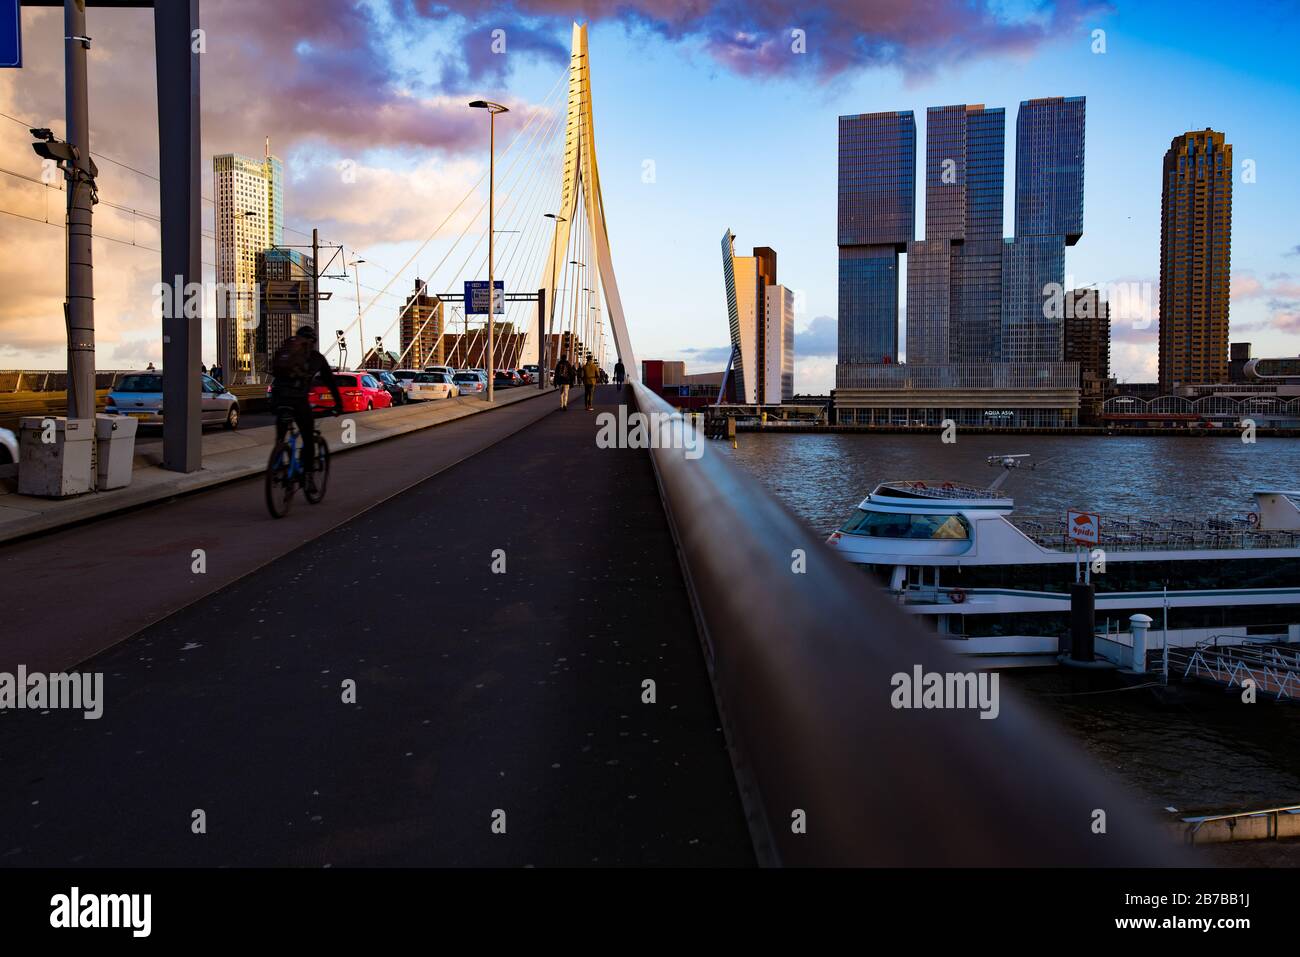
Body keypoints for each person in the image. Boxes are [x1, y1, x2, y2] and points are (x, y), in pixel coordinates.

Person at [270, 325, 342, 491]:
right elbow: (330, 382)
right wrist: (338, 405)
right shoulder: (316, 357)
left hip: (278, 398)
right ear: (313, 342)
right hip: (298, 401)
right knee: (308, 438)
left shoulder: (285, 351)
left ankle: (277, 465)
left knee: (280, 437)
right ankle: (308, 478)